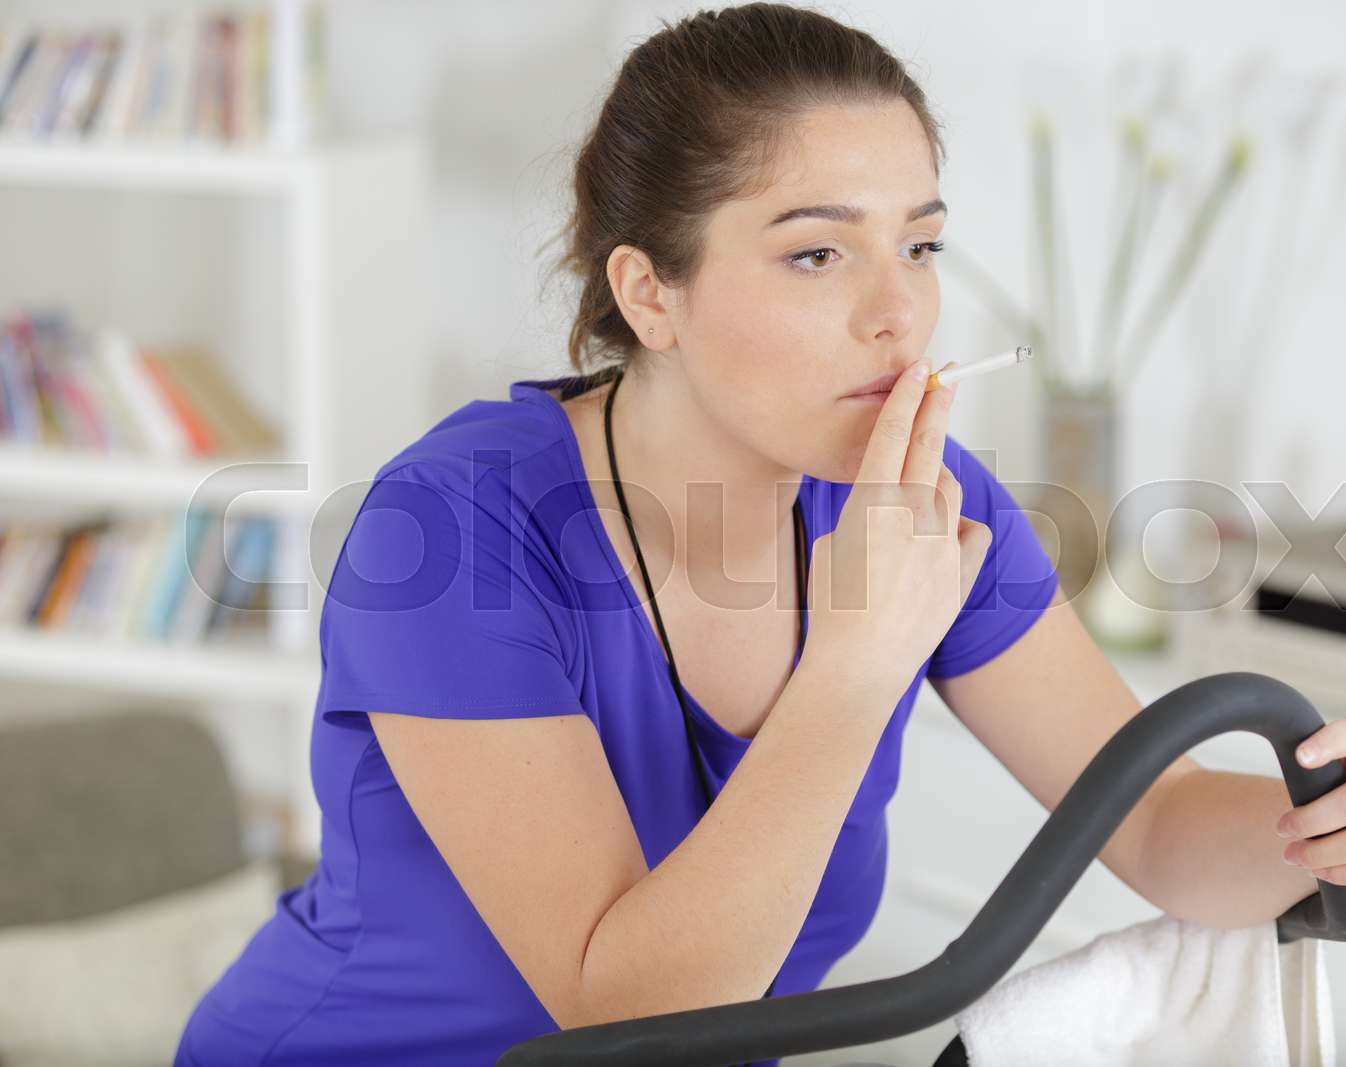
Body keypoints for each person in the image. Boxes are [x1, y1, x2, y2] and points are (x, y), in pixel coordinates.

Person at [174, 4, 1062, 1064]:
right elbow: (634, 1016)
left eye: (919, 244)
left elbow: (1163, 816)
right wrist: (855, 666)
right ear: (649, 294)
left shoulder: (918, 497)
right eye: (818, 255)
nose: (900, 313)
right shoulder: (445, 532)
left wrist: (1309, 816)